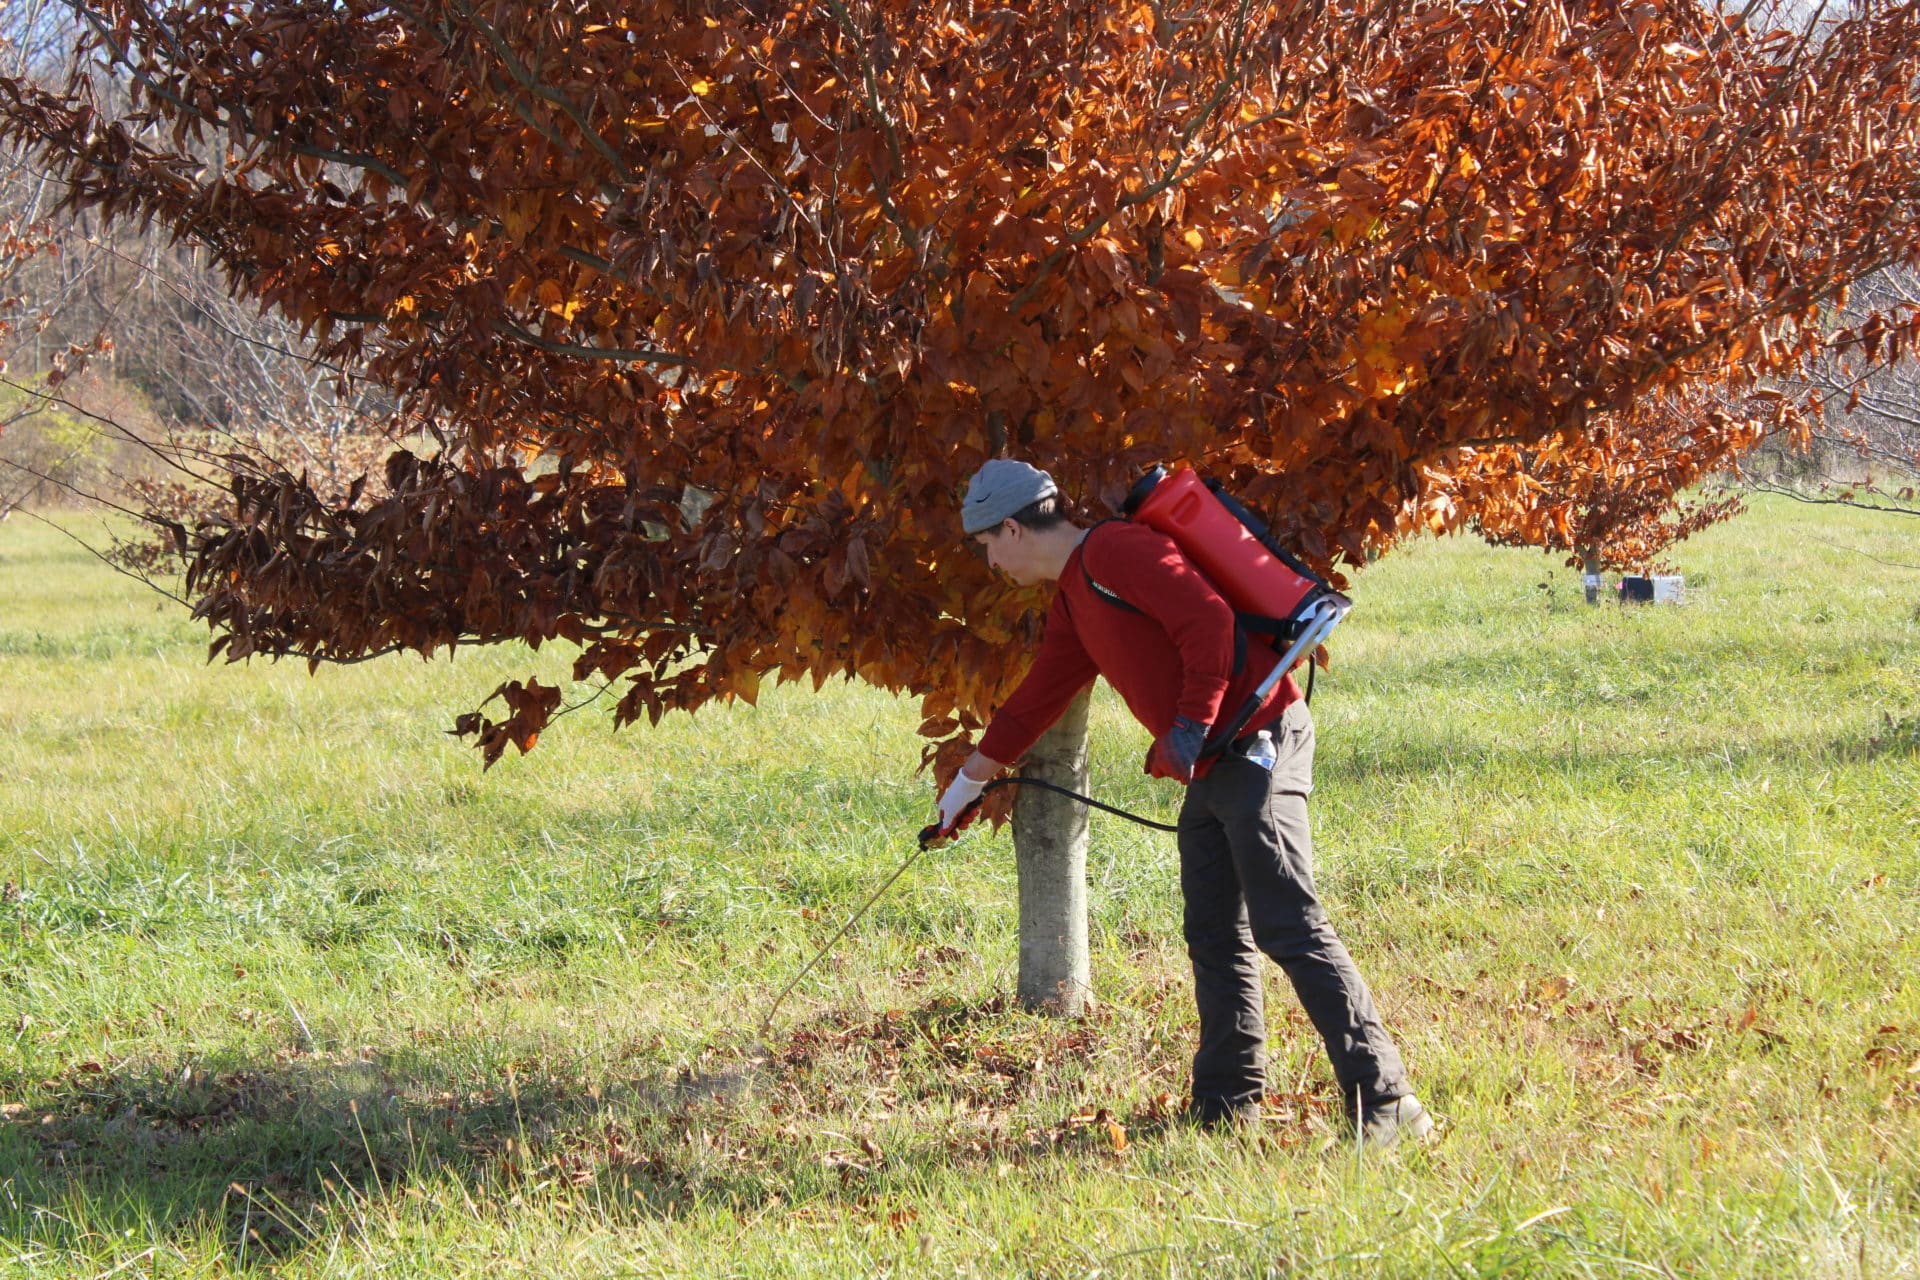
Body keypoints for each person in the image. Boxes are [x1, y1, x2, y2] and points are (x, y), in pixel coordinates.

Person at [935, 458, 1432, 1148]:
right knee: (1214, 933)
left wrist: (1190, 726)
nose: (990, 561)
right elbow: (1035, 701)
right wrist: (966, 786)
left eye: (987, 544)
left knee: (1287, 923)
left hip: (1258, 738)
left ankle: (1388, 1101)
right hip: (1217, 759)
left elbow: (1208, 621)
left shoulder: (1116, 551)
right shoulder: (1075, 596)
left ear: (1012, 529)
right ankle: (1227, 1104)